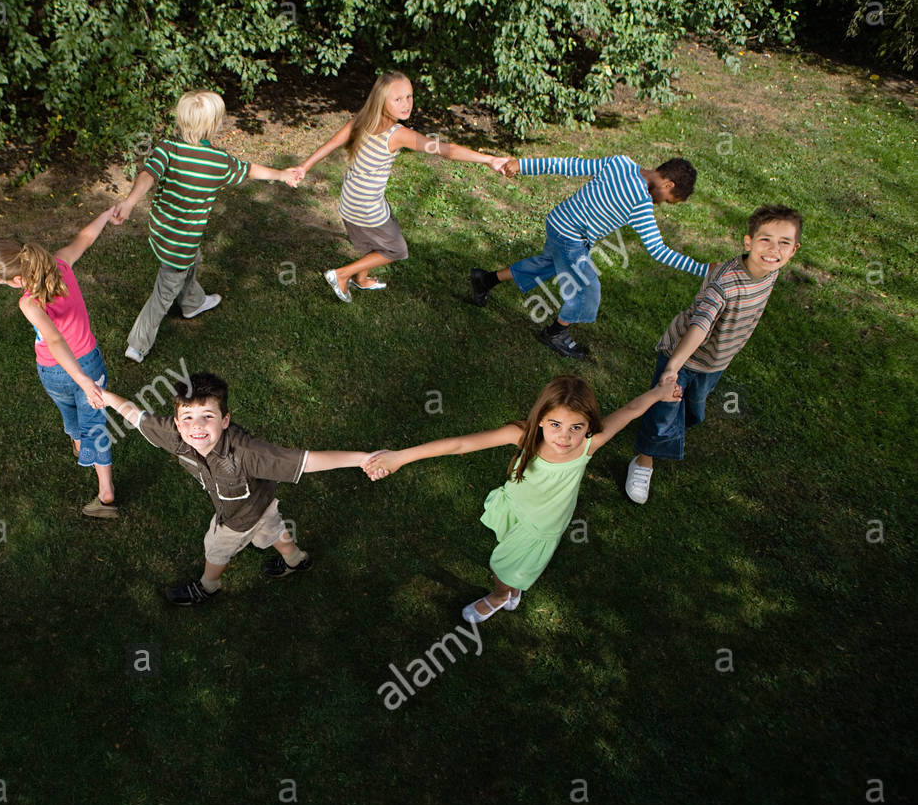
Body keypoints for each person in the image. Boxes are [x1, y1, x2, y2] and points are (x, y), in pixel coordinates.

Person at [365, 375, 681, 622]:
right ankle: (511, 587)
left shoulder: (590, 444)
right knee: (506, 550)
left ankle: (501, 595)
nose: (565, 436)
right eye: (555, 424)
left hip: (541, 527)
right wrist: (400, 457)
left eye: (576, 427)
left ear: (589, 426)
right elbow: (460, 444)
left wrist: (659, 393)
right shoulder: (522, 435)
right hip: (513, 505)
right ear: (540, 419)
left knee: (501, 567)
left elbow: (630, 411)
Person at [98, 372, 374, 604]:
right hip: (263, 502)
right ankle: (296, 559)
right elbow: (136, 415)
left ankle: (208, 586)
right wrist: (106, 397)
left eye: (207, 416)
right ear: (178, 423)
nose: (196, 426)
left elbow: (306, 461)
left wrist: (363, 459)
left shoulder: (246, 453)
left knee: (216, 548)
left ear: (225, 420)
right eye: (188, 418)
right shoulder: (176, 435)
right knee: (270, 527)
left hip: (236, 519)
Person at [626, 205, 802, 504]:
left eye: (784, 243)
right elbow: (701, 326)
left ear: (794, 250)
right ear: (748, 242)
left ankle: (667, 428)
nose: (774, 249)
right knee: (663, 412)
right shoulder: (724, 285)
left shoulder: (770, 269)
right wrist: (673, 367)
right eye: (766, 240)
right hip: (683, 357)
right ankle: (644, 461)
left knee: (693, 412)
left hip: (715, 362)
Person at [110, 90, 301, 363]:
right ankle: (137, 345)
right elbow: (249, 170)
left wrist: (130, 202)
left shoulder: (168, 147)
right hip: (181, 241)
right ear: (213, 125)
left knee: (193, 259)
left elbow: (148, 173)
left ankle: (192, 303)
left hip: (163, 231)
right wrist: (281, 175)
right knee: (165, 292)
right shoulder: (218, 161)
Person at [293, 71, 511, 303]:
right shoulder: (397, 134)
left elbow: (330, 145)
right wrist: (488, 159)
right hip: (367, 206)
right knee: (395, 249)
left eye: (409, 96)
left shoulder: (361, 120)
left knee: (374, 238)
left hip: (349, 200)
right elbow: (446, 150)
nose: (406, 104)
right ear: (381, 100)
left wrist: (304, 167)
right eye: (398, 99)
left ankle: (361, 277)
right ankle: (342, 274)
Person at [469, 155, 712, 359]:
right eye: (667, 200)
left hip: (558, 222)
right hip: (571, 238)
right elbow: (658, 250)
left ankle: (484, 280)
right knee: (587, 288)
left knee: (547, 264)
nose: (660, 203)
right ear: (668, 184)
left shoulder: (620, 163)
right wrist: (704, 269)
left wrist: (523, 165)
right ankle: (555, 334)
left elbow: (567, 165)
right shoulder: (641, 204)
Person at [0, 208, 119, 519]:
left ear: (18, 279)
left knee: (69, 411)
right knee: (95, 424)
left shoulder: (28, 302)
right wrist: (106, 214)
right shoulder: (61, 264)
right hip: (89, 364)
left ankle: (79, 445)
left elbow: (55, 342)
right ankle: (106, 490)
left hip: (54, 372)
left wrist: (80, 380)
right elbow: (85, 238)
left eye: (2, 282)